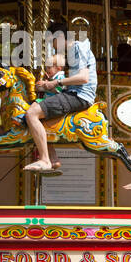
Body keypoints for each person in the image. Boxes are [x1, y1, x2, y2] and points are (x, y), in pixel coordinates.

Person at [23, 18, 96, 174]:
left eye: (52, 42)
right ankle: (53, 158)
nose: (53, 46)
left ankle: (44, 160)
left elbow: (84, 78)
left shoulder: (78, 48)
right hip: (75, 93)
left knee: (32, 113)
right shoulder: (73, 52)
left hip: (80, 96)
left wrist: (56, 83)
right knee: (40, 117)